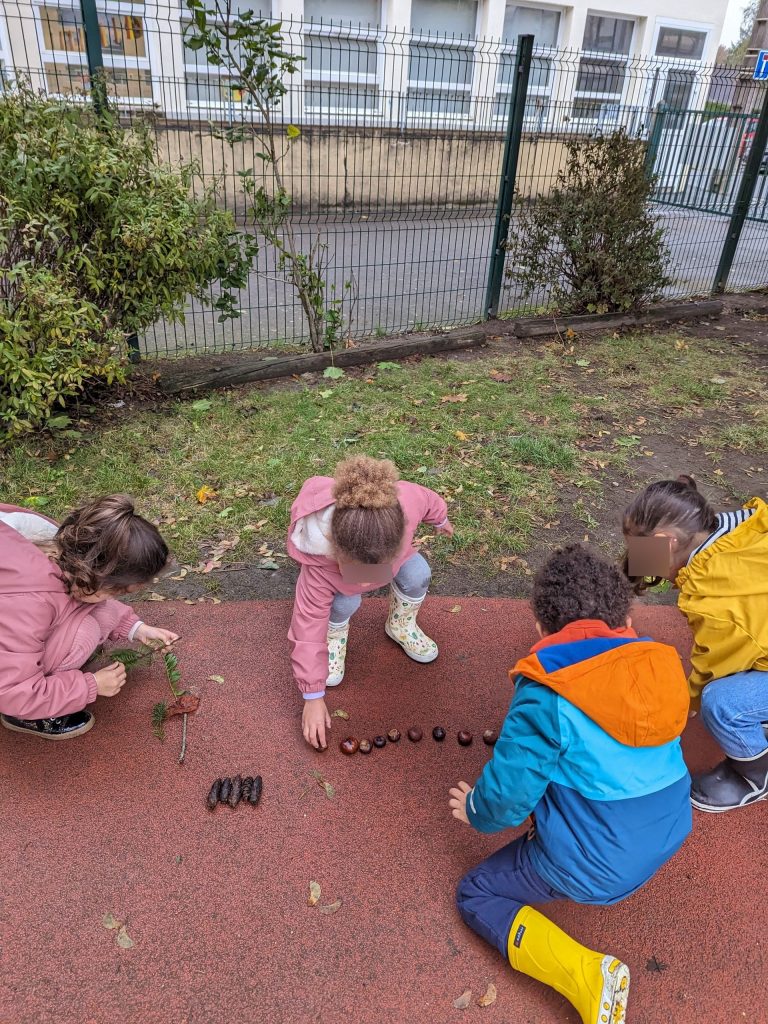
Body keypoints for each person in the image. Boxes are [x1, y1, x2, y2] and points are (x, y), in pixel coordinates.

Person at [450, 544, 691, 1024]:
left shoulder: (547, 692)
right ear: (622, 614)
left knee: (475, 893)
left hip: (599, 868)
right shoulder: (661, 664)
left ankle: (586, 974)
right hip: (670, 832)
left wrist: (475, 807)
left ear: (541, 626)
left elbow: (507, 799)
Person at [622, 475, 768, 812]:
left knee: (721, 703)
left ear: (667, 541)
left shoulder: (713, 598)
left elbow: (716, 666)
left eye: (642, 550)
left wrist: (679, 706)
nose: (639, 559)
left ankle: (753, 777)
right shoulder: (745, 528)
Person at [287, 455, 453, 749]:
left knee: (419, 574)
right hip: (336, 580)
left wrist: (440, 518)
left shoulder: (406, 503)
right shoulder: (319, 566)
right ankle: (335, 633)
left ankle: (400, 624)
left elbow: (427, 499)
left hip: (391, 557)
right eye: (358, 569)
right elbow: (307, 631)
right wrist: (312, 696)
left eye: (372, 571)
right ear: (336, 547)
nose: (366, 582)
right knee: (346, 602)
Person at [0, 495, 177, 739]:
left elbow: (87, 602)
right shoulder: (30, 603)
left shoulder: (65, 555)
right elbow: (12, 691)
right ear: (94, 578)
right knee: (84, 632)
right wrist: (88, 686)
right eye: (119, 591)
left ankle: (53, 673)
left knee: (92, 614)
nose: (118, 597)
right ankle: (27, 716)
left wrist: (136, 628)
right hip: (11, 687)